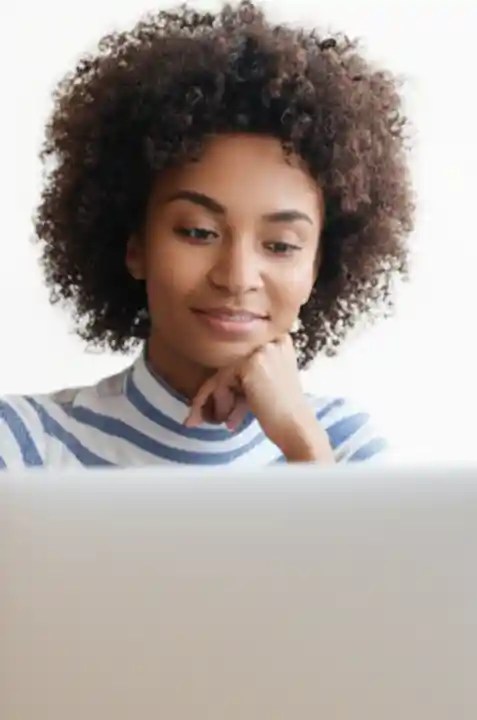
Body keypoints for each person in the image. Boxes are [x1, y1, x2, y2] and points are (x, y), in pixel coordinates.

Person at [0, 1, 414, 469]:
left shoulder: (343, 447)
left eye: (280, 245)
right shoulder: (26, 446)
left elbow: (361, 543)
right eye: (198, 232)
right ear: (135, 245)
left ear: (318, 265)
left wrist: (303, 446)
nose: (237, 278)